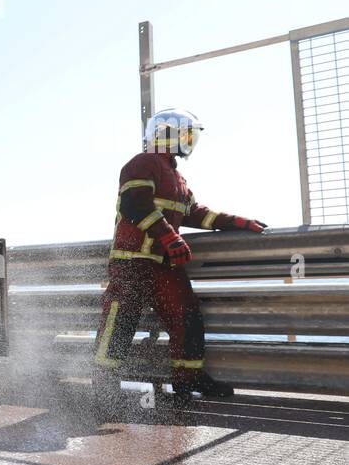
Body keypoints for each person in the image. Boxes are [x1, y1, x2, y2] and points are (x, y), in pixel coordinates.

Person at [93, 108, 267, 416]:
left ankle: (188, 380)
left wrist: (235, 222)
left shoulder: (176, 177)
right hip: (132, 262)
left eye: (192, 136)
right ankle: (104, 389)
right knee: (120, 322)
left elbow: (195, 213)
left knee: (186, 316)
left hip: (162, 264)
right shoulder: (143, 163)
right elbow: (134, 204)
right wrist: (168, 236)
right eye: (186, 134)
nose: (190, 141)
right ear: (165, 133)